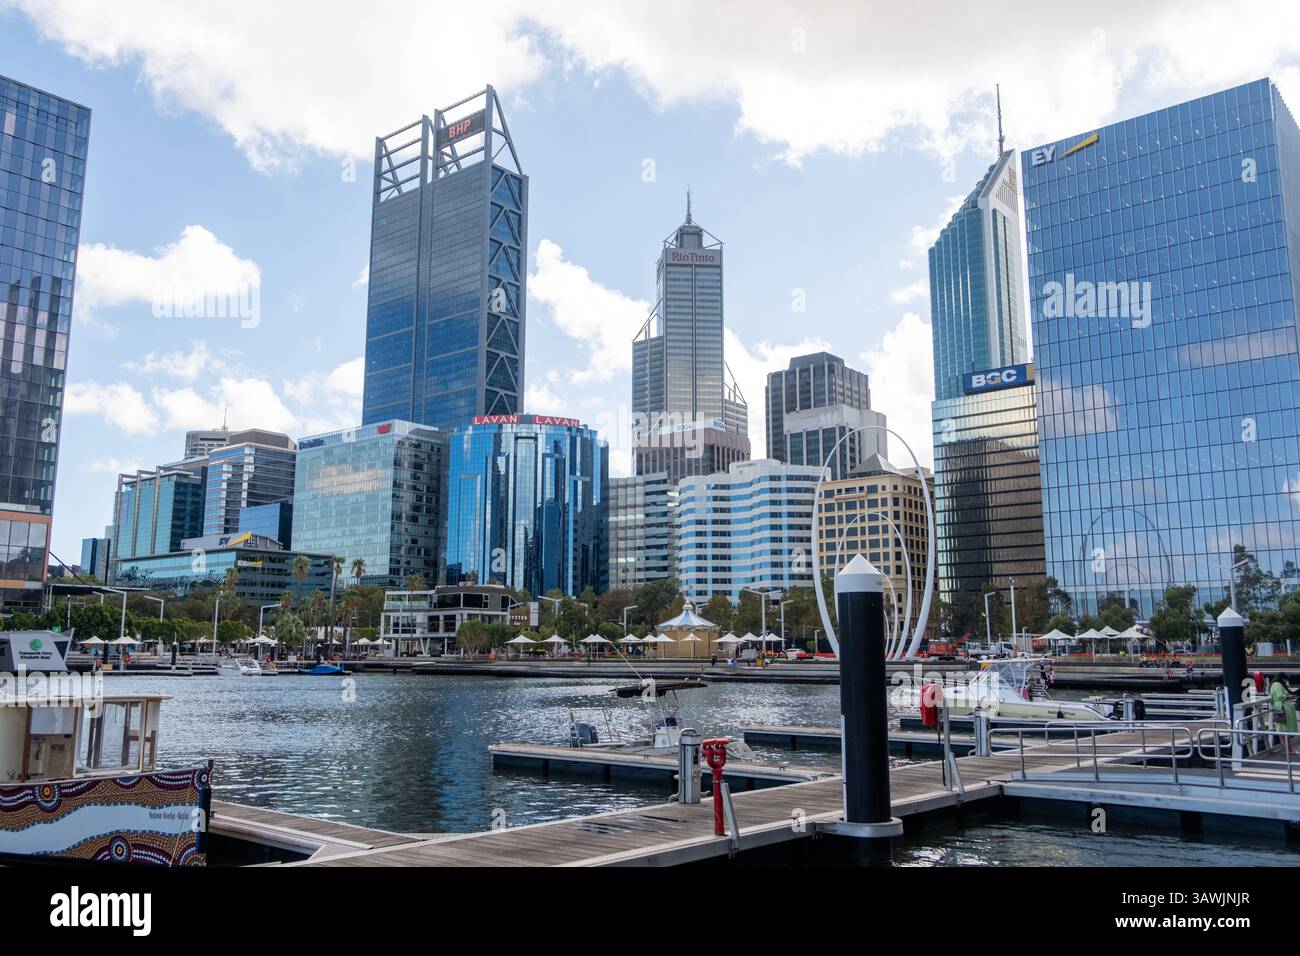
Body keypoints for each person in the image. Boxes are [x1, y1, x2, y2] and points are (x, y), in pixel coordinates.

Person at [1270, 673, 1298, 753]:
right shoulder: (1277, 684)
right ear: (1282, 678)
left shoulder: (1275, 685)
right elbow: (1280, 696)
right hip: (1283, 708)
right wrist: (1291, 696)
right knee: (1285, 729)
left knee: (1282, 729)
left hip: (1280, 708)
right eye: (1286, 679)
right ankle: (1290, 749)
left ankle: (1288, 749)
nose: (1286, 681)